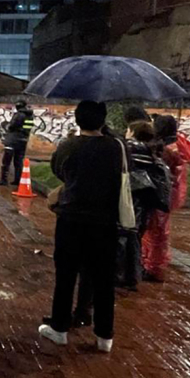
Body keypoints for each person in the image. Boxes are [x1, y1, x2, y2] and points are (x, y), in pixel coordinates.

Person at [39, 101, 123, 353]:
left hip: (72, 218)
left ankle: (60, 328)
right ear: (103, 119)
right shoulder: (116, 147)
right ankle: (104, 336)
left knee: (65, 275)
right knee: (104, 280)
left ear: (77, 120)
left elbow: (59, 171)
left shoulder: (68, 146)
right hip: (105, 221)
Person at [116, 121, 167, 291]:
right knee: (136, 237)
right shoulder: (154, 153)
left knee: (122, 236)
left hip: (128, 199)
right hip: (145, 203)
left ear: (133, 132)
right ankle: (132, 276)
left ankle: (120, 273)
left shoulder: (126, 148)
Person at [142, 115, 190, 282]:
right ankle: (153, 264)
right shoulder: (179, 145)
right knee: (159, 230)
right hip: (171, 194)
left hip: (161, 194)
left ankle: (153, 266)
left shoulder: (167, 149)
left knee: (156, 231)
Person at [0, 101, 34, 186]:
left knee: (6, 160)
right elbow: (28, 128)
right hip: (23, 140)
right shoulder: (30, 116)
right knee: (18, 161)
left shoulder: (18, 115)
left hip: (13, 140)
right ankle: (18, 180)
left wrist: (8, 127)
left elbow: (12, 126)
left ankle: (3, 180)